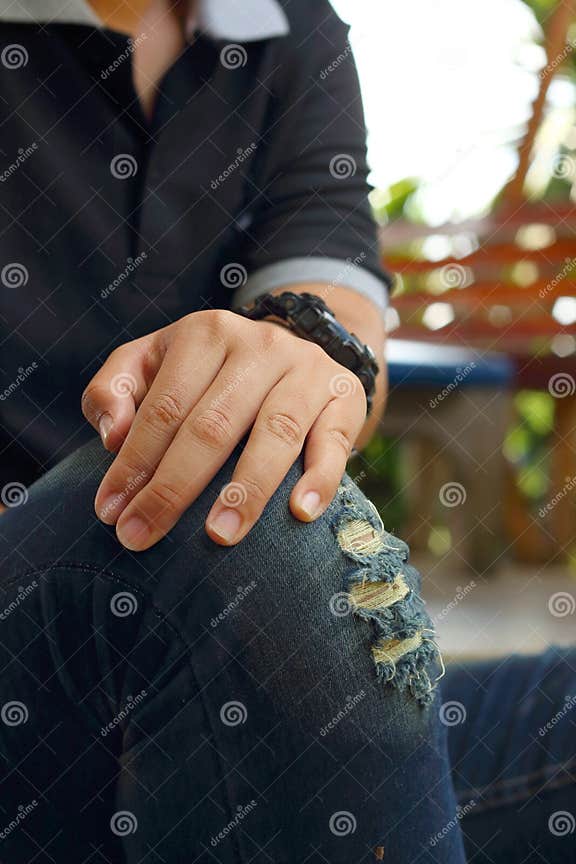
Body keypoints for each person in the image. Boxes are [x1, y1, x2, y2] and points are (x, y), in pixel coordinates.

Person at [0, 2, 573, 862]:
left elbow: (328, 263)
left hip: (208, 708)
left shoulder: (293, 27)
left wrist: (298, 358)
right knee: (238, 520)